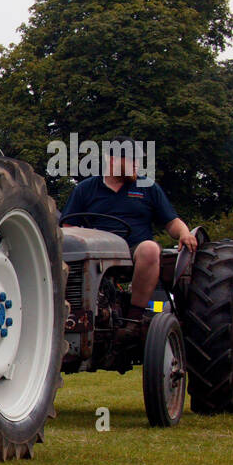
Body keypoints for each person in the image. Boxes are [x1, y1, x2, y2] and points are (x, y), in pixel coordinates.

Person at [63, 138, 198, 341]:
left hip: (135, 249)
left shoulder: (147, 187)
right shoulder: (85, 189)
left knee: (150, 249)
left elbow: (171, 222)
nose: (136, 164)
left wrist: (184, 233)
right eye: (131, 159)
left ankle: (134, 318)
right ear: (112, 160)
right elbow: (68, 227)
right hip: (98, 250)